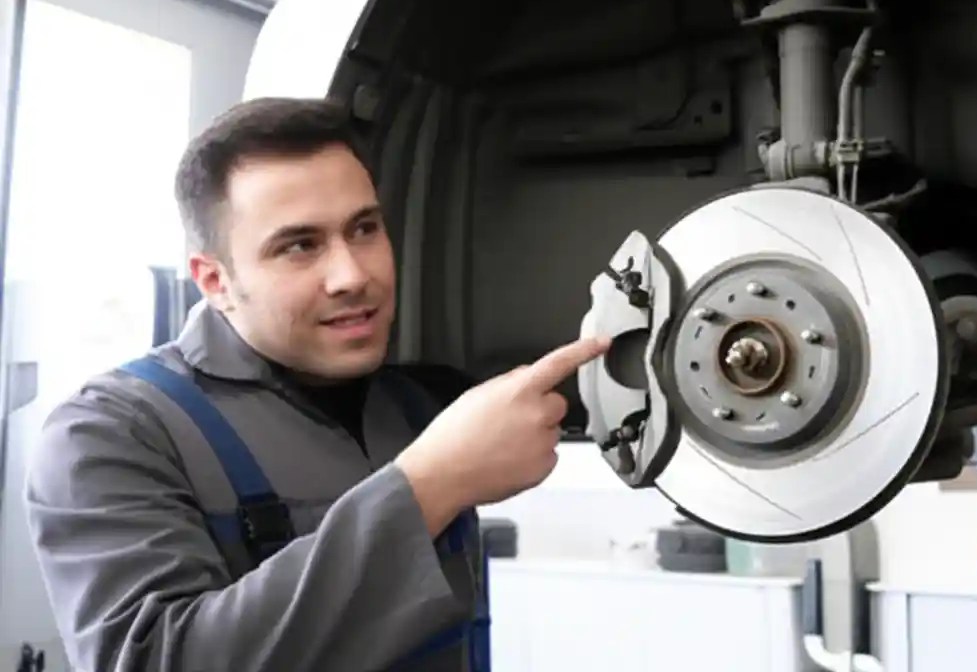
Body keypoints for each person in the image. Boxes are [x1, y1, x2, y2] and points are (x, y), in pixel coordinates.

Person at [23, 96, 609, 671]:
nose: (353, 275)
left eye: (364, 229)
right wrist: (433, 483)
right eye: (299, 246)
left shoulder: (418, 404)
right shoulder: (109, 432)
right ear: (214, 280)